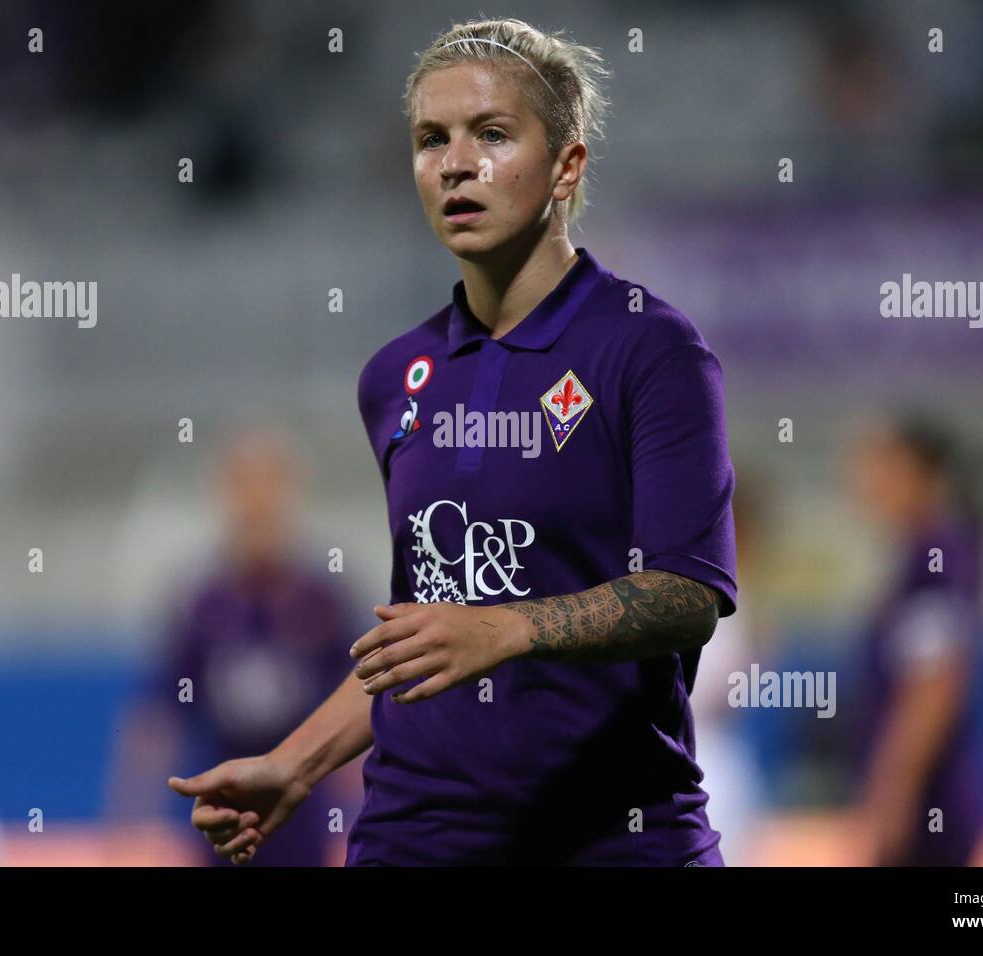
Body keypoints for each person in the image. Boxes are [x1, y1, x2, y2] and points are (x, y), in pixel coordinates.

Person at [169, 17, 739, 867]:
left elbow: (688, 594)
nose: (455, 163)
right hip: (417, 839)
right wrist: (296, 764)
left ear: (566, 167)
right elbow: (424, 640)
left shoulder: (648, 349)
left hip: (613, 836)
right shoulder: (394, 377)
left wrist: (510, 630)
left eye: (493, 134)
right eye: (431, 139)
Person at [112, 429, 360, 865]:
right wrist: (128, 823)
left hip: (303, 821)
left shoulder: (323, 601)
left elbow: (359, 708)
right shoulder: (202, 604)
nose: (257, 500)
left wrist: (366, 812)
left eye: (268, 483)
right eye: (244, 484)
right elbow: (159, 717)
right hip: (222, 819)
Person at [846, 413, 983, 866]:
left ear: (918, 471)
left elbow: (934, 685)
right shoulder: (925, 552)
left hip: (935, 797)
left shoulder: (937, 556)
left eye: (881, 465)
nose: (866, 481)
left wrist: (894, 787)